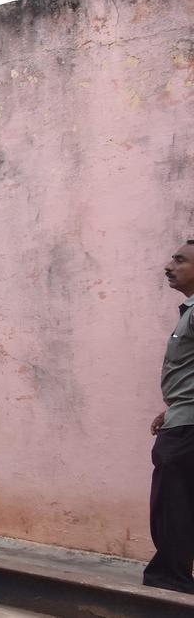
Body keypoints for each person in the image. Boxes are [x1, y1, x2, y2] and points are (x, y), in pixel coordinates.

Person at [143, 239, 194, 594]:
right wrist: (174, 407)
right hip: (183, 419)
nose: (168, 265)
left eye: (180, 260)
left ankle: (170, 579)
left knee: (172, 504)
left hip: (187, 430)